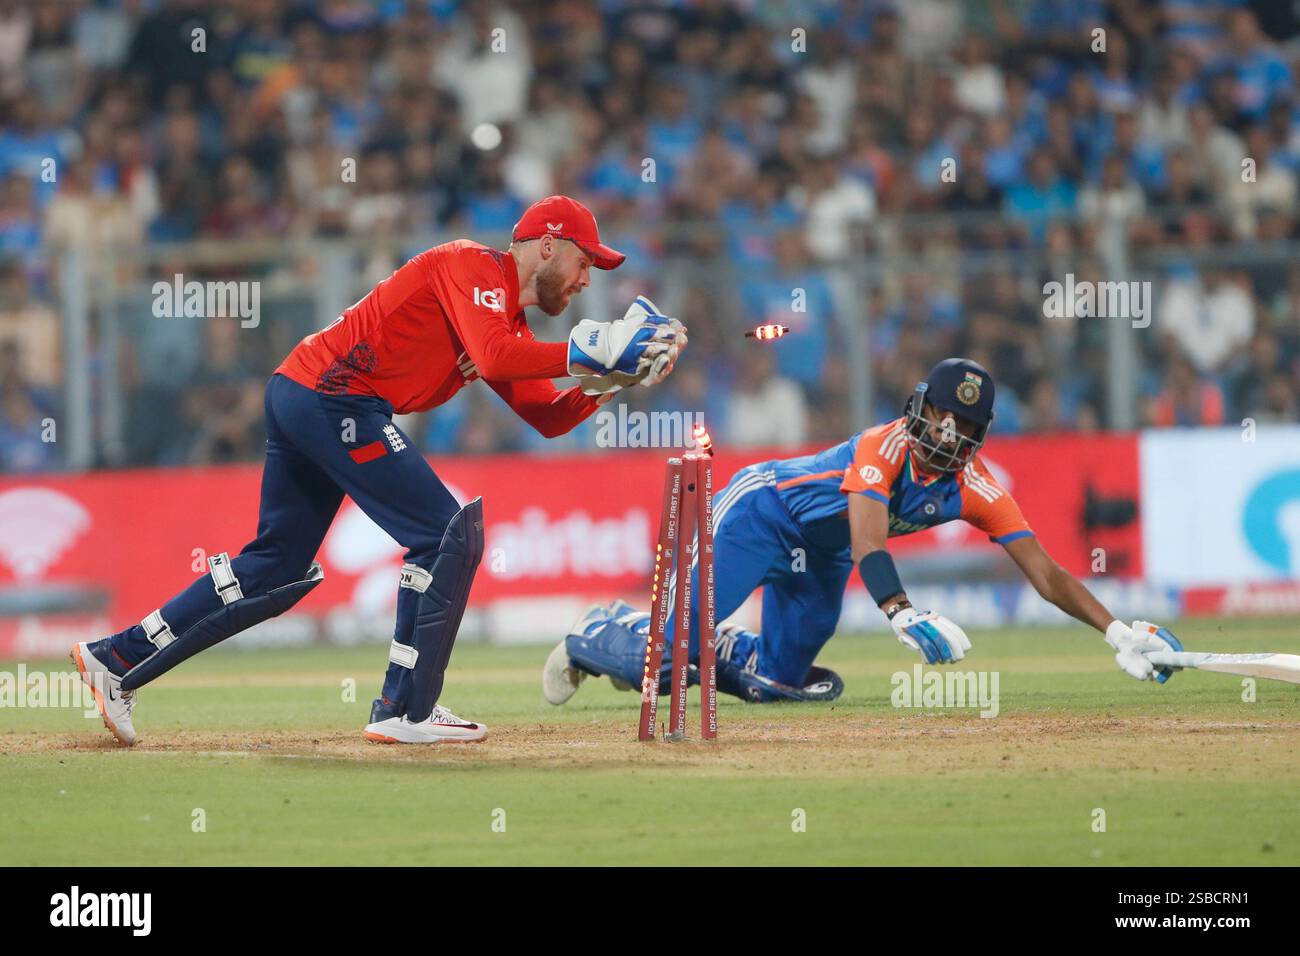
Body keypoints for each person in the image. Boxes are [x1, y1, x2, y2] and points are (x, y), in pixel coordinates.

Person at [73, 195, 686, 746]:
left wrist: (613, 381)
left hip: (304, 392)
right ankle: (405, 707)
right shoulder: (472, 266)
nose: (586, 279)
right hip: (336, 398)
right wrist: (592, 350)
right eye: (585, 262)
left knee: (276, 566)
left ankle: (117, 658)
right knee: (446, 532)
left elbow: (546, 417)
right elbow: (497, 357)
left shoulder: (504, 320)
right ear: (548, 244)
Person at [544, 358, 1183, 706]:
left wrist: (1116, 630)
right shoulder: (883, 446)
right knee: (660, 662)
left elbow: (1045, 573)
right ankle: (596, 629)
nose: (947, 434)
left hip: (820, 558)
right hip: (759, 516)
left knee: (780, 684)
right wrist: (901, 613)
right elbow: (871, 543)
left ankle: (728, 651)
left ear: (980, 435)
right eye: (940, 416)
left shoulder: (976, 487)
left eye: (963, 424)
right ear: (919, 409)